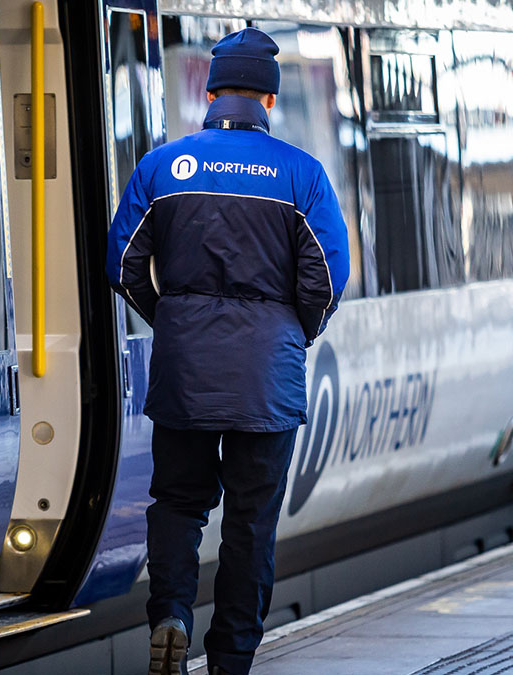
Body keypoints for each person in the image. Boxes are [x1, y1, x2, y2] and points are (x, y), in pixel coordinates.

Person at [106, 28, 350, 675]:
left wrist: (170, 317)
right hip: (267, 379)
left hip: (185, 369)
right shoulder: (302, 175)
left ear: (210, 93)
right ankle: (233, 656)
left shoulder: (163, 167)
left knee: (179, 501)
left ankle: (171, 618)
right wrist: (291, 331)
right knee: (250, 520)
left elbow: (123, 262)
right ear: (267, 99)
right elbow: (326, 278)